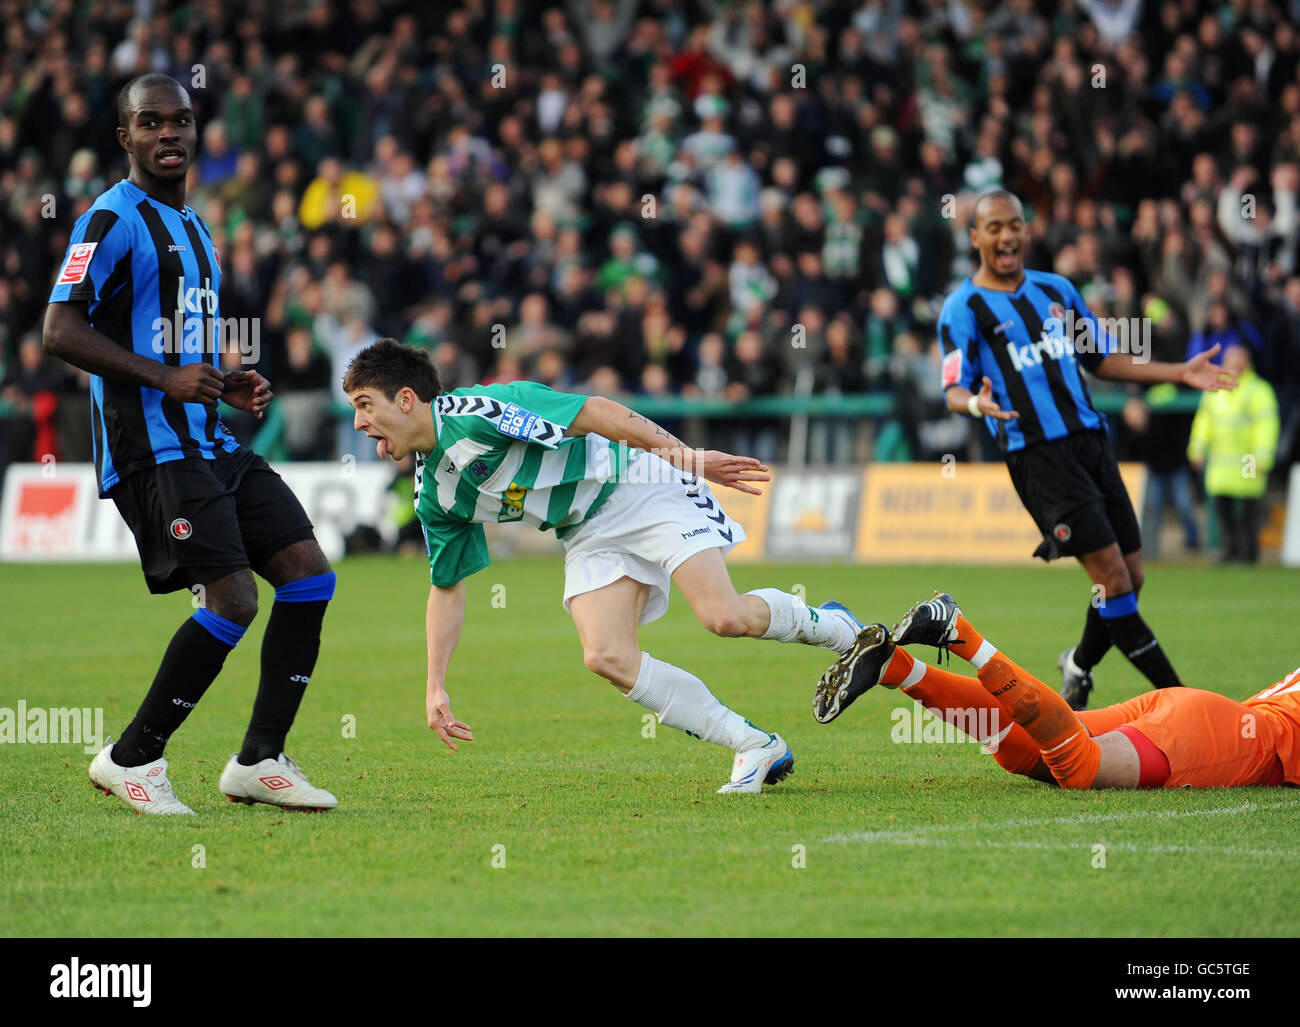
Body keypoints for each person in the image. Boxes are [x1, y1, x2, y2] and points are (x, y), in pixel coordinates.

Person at [343, 338, 864, 793]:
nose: (359, 423)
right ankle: (753, 744)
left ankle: (836, 626)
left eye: (366, 405)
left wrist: (687, 457)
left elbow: (593, 412)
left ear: (406, 399)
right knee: (606, 655)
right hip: (586, 530)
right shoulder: (433, 494)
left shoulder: (481, 411)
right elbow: (447, 588)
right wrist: (435, 684)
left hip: (637, 481)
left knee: (723, 617)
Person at [43, 74, 337, 815]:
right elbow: (60, 330)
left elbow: (178, 345)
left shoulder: (198, 226)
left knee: (308, 575)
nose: (168, 133)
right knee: (234, 598)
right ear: (126, 138)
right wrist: (164, 379)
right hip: (153, 449)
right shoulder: (108, 220)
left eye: (180, 120)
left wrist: (223, 380)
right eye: (150, 122)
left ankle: (259, 759)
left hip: (211, 438)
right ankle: (132, 757)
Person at [937, 189, 1237, 710]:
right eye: (994, 228)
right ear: (976, 237)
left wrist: (1178, 373)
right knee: (1114, 577)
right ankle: (1187, 702)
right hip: (1038, 456)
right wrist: (978, 407)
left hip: (1092, 442)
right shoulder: (962, 309)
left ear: (1026, 230)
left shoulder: (1057, 290)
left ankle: (1078, 664)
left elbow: (1100, 360)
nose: (1006, 236)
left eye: (1015, 224)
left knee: (1131, 578)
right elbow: (953, 390)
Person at [814, 592, 1299, 790]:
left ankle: (896, 666)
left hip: (1195, 708)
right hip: (1234, 738)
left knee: (1028, 751)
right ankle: (962, 635)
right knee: (1079, 768)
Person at [1187, 343, 1280, 564]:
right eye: (1231, 358)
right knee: (1222, 506)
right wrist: (1197, 448)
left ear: (1247, 361)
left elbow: (1267, 426)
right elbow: (1204, 421)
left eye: (1239, 358)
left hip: (1248, 458)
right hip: (1221, 459)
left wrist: (1263, 456)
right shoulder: (1216, 387)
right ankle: (1230, 549)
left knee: (1248, 505)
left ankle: (1249, 551)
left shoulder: (1258, 390)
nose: (1235, 363)